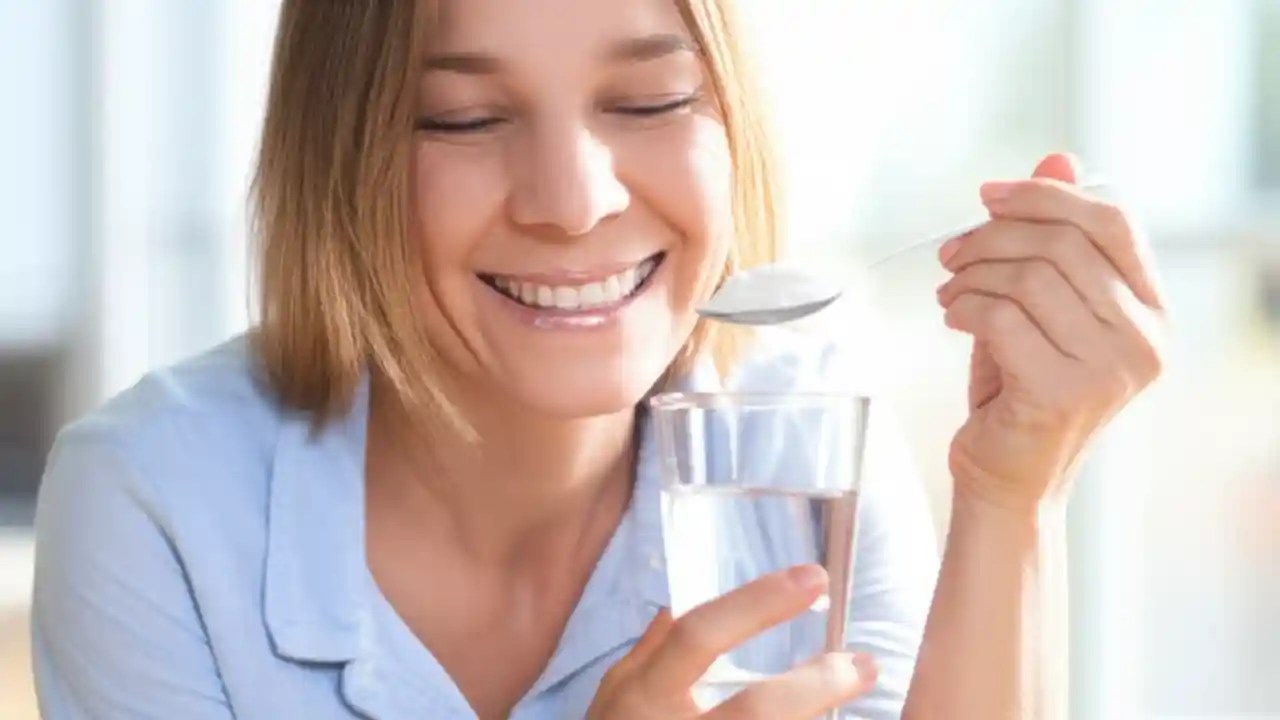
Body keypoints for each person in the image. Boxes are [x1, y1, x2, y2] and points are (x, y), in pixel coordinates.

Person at [29, 1, 1167, 718]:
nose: (572, 203)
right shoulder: (158, 501)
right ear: (338, 156)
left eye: (649, 100)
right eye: (465, 118)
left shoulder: (807, 451)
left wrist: (1014, 497)